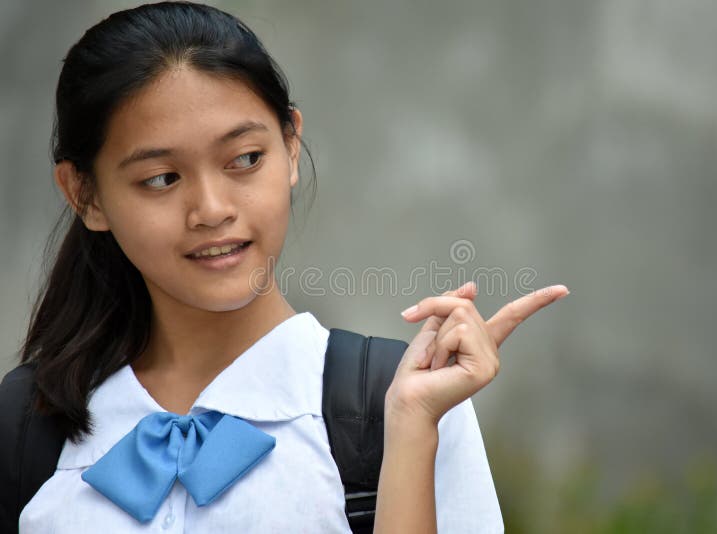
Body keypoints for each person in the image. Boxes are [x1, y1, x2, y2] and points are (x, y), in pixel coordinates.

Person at [8, 2, 569, 532]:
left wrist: (412, 433)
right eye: (161, 178)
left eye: (245, 159)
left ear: (291, 146)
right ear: (85, 195)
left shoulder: (396, 404)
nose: (212, 210)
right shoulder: (29, 424)